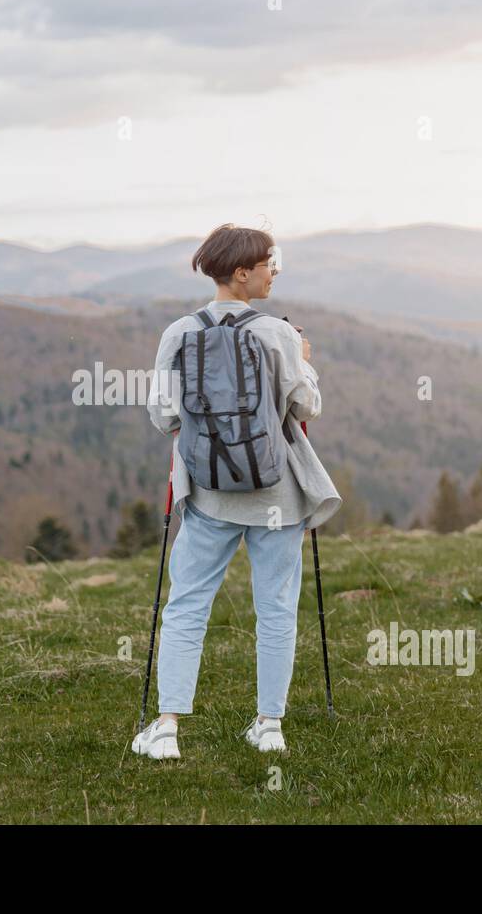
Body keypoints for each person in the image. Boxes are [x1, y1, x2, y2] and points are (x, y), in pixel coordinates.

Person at [135, 224, 340, 759]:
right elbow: (306, 408)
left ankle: (167, 727)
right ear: (243, 272)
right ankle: (269, 725)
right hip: (278, 497)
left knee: (186, 605)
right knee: (275, 607)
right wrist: (306, 362)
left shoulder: (179, 332)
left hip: (209, 495)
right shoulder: (279, 335)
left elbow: (163, 416)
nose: (275, 273)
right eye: (270, 264)